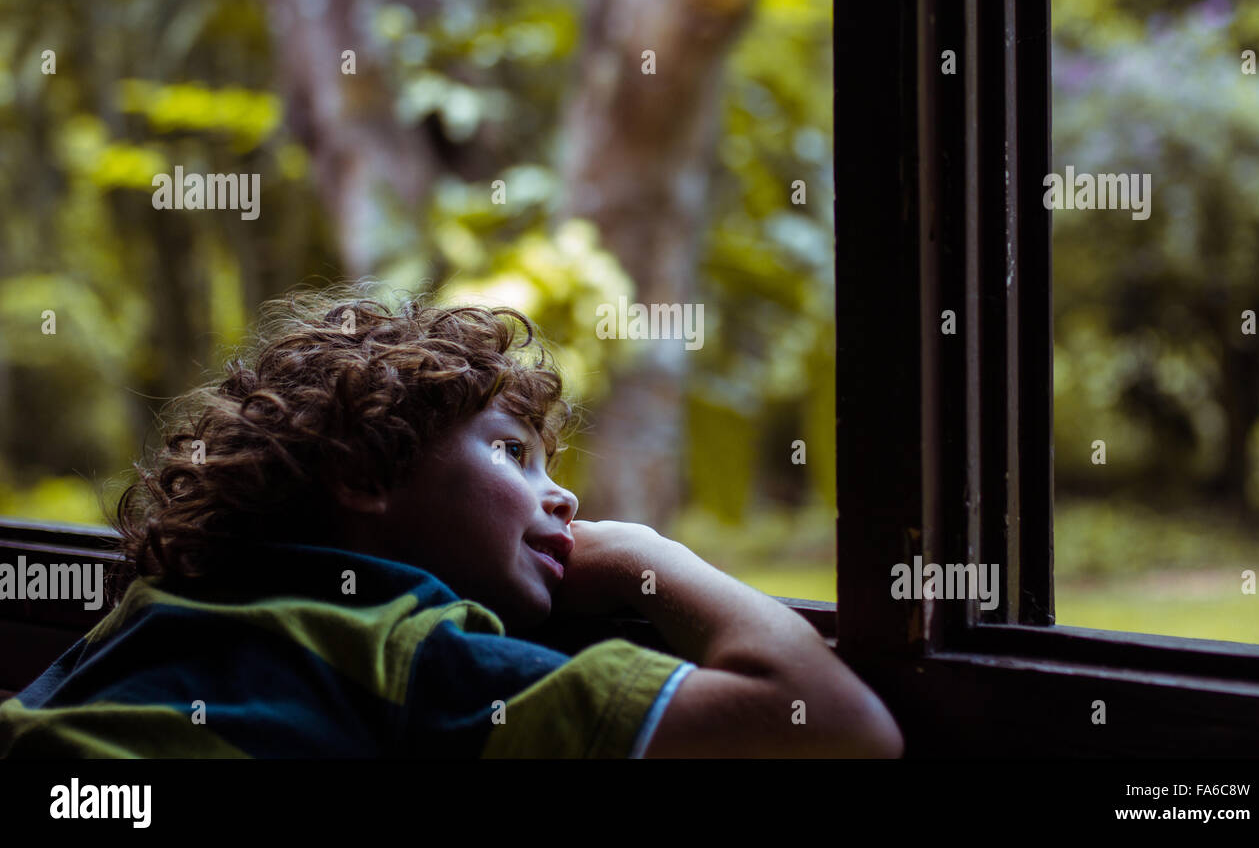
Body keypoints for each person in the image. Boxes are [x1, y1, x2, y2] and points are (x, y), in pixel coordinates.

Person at [0, 283, 903, 758]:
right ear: (363, 472)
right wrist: (642, 559)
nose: (568, 501)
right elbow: (834, 721)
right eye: (514, 453)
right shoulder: (408, 650)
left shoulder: (167, 603)